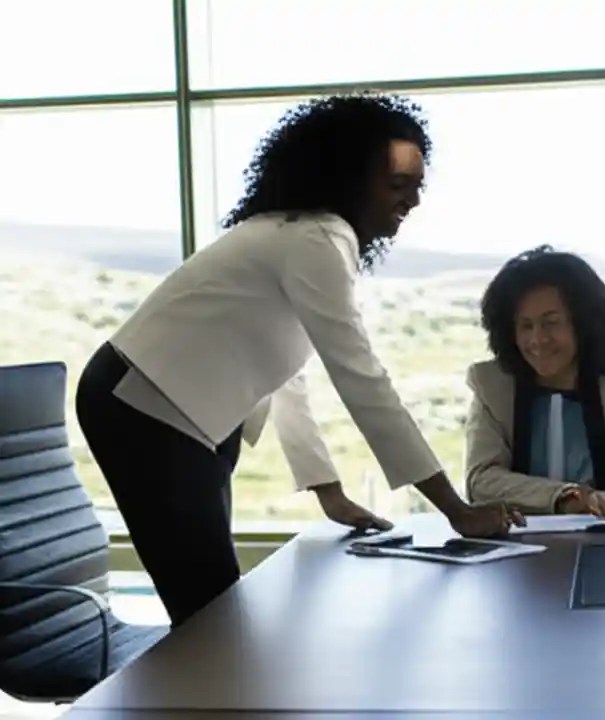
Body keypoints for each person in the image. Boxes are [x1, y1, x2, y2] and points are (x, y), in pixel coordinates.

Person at [75, 93, 523, 627]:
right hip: (145, 406)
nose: (414, 201)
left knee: (213, 610)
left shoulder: (301, 235)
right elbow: (362, 380)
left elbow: (288, 373)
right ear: (350, 178)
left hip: (181, 412)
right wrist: (457, 509)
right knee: (210, 616)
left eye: (418, 185)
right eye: (398, 185)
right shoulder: (313, 239)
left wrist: (327, 490)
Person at [465, 246, 605, 522]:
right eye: (526, 326)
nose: (538, 340)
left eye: (551, 323)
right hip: (519, 548)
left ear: (585, 324)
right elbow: (481, 482)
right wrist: (567, 497)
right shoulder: (491, 386)